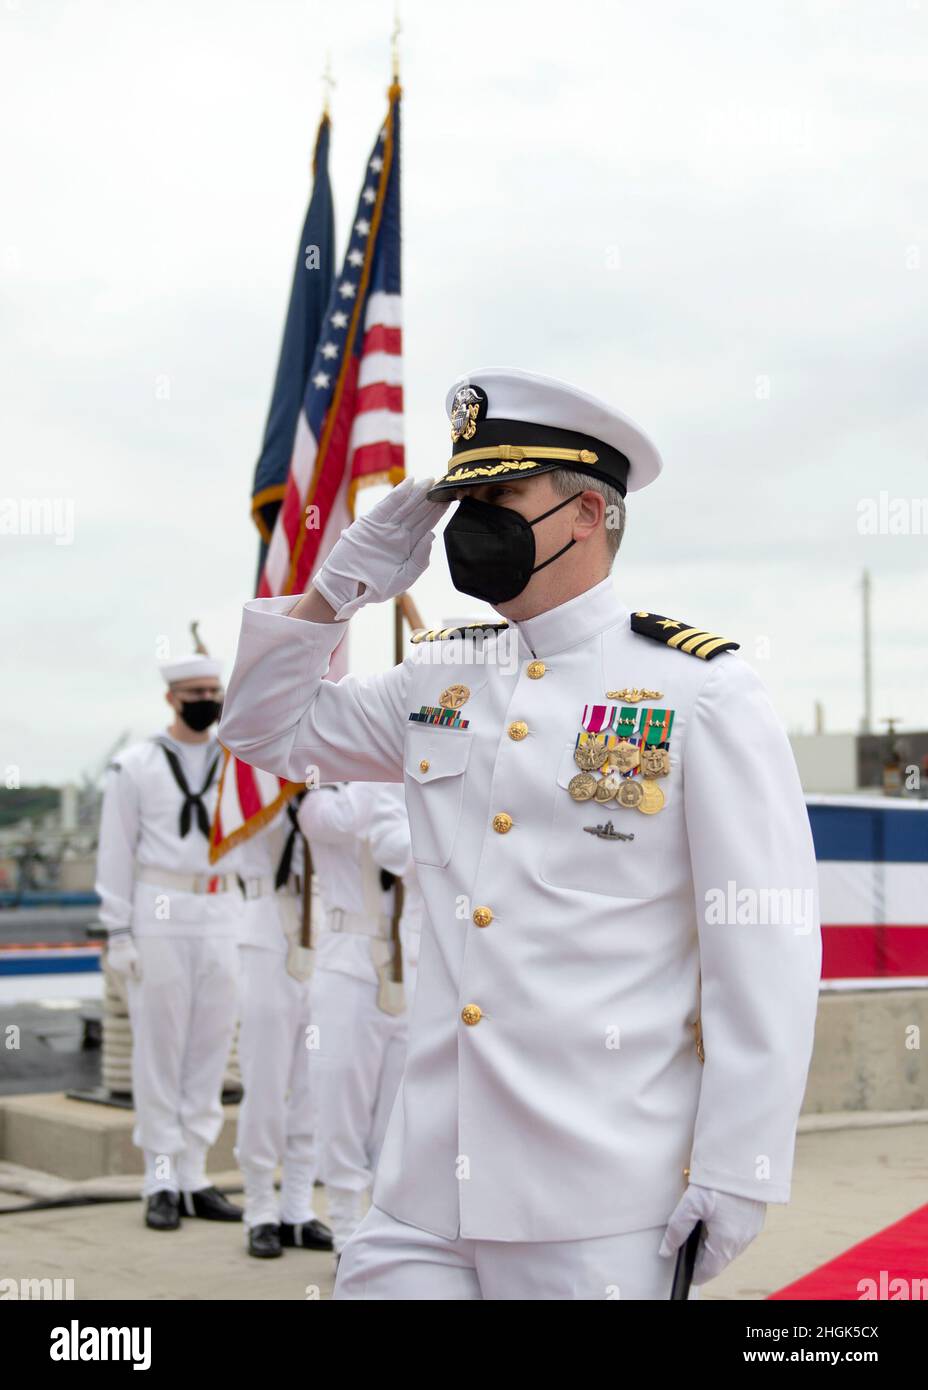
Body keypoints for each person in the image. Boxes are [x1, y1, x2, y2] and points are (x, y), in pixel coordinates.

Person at [218, 367, 822, 1300]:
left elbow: (762, 948)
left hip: (599, 1201)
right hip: (421, 1192)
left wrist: (739, 1167)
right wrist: (337, 590)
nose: (469, 523)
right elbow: (261, 731)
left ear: (586, 514)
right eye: (462, 498)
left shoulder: (700, 691)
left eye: (500, 495)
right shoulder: (437, 680)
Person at [96, 649, 245, 1231]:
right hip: (159, 908)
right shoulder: (134, 765)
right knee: (159, 1049)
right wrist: (119, 931)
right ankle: (159, 1176)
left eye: (215, 690)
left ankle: (194, 1174)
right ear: (171, 699)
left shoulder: (238, 764)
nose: (209, 701)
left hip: (221, 908)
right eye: (197, 694)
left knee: (208, 1049)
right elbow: (116, 851)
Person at [297, 781, 421, 1257]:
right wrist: (385, 768)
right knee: (340, 1102)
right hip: (347, 960)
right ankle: (346, 1232)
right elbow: (353, 826)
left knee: (397, 1114)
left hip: (411, 961)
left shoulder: (408, 788)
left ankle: (382, 1229)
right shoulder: (320, 797)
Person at [233, 806, 334, 1258]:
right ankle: (258, 1208)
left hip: (329, 925)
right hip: (267, 926)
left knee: (314, 1081)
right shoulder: (251, 779)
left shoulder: (334, 789)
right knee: (265, 1080)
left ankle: (296, 1206)